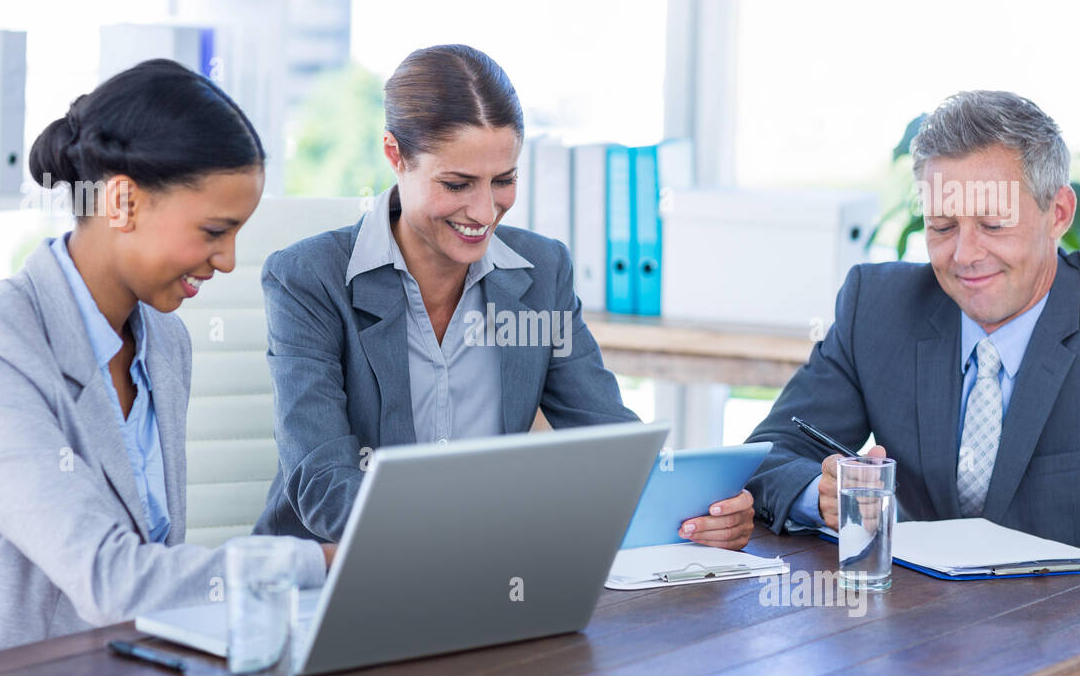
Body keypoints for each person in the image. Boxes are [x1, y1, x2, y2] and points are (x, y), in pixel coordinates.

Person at [744, 90, 1080, 676]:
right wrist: (815, 494)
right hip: (908, 647)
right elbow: (773, 451)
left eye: (992, 225)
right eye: (942, 226)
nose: (964, 255)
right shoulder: (875, 307)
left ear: (1057, 213)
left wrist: (1023, 620)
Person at [0, 59, 332, 676]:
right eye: (213, 231)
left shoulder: (165, 342)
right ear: (121, 200)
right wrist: (327, 563)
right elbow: (111, 577)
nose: (227, 261)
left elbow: (152, 572)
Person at [255, 44, 755, 550]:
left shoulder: (541, 275)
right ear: (395, 155)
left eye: (504, 180)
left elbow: (610, 440)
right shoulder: (308, 280)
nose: (483, 210)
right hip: (333, 573)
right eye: (456, 183)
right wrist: (472, 537)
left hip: (494, 574)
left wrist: (700, 509)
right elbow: (323, 484)